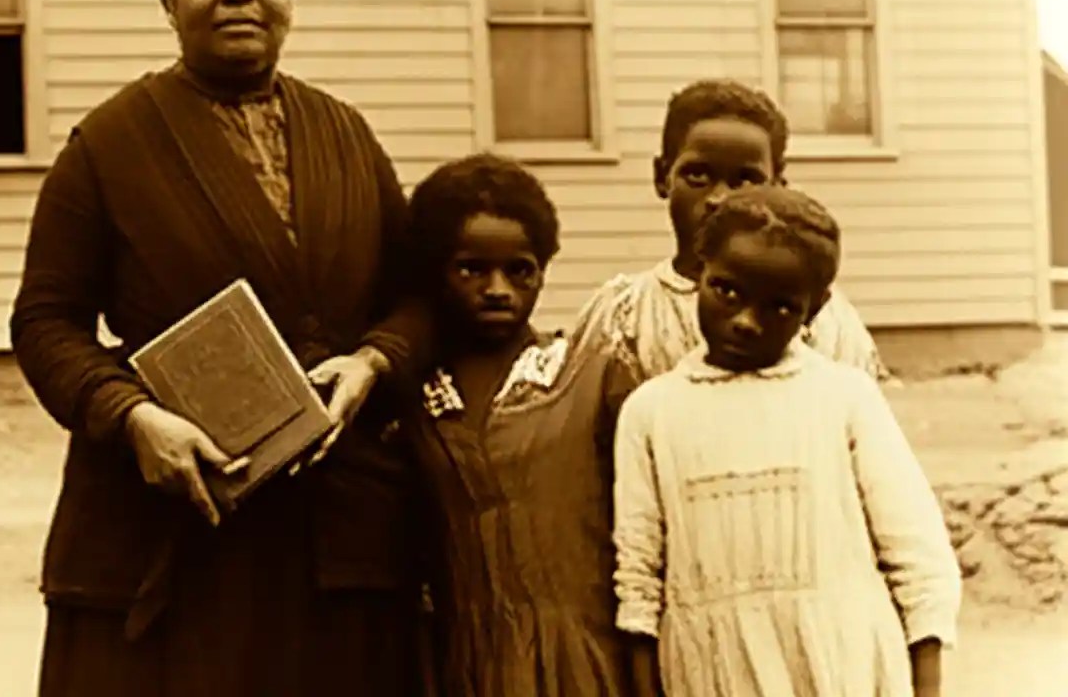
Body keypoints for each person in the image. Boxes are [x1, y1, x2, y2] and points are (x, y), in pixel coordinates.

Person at [9, 0, 435, 694]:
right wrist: (132, 416)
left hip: (336, 542)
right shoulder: (109, 144)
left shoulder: (346, 135)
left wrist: (371, 362)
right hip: (181, 529)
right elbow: (46, 320)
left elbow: (415, 298)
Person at [612, 185, 962, 697]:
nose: (746, 321)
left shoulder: (844, 397)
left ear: (814, 309)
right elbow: (639, 579)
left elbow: (919, 555)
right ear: (700, 274)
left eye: (779, 307)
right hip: (714, 673)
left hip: (840, 668)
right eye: (727, 291)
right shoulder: (652, 412)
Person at [401, 153, 639, 696]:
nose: (498, 289)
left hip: (587, 658)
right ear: (436, 271)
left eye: (520, 270)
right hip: (467, 663)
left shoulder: (589, 378)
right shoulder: (417, 398)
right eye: (471, 269)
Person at [574, 79, 888, 384]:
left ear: (778, 185)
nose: (719, 199)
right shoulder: (622, 315)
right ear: (662, 176)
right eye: (697, 175)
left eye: (746, 180)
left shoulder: (822, 319)